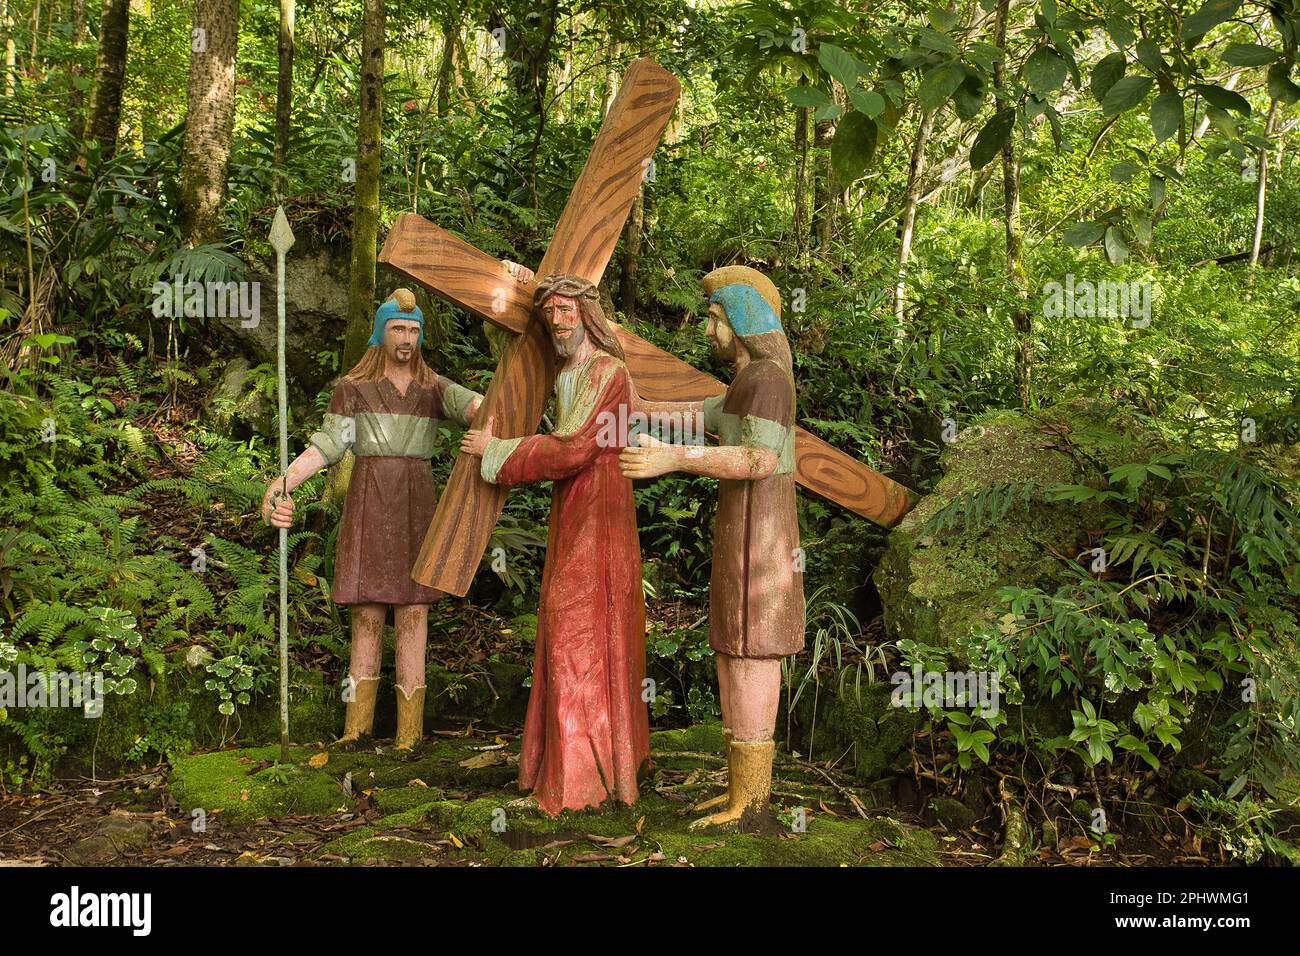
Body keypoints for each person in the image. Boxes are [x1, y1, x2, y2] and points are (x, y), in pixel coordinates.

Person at [461, 267, 650, 815]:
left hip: (601, 511)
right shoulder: (571, 372)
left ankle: (582, 782)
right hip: (576, 510)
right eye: (551, 314)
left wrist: (498, 452)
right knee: (569, 621)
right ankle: (576, 770)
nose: (559, 321)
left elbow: (571, 449)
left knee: (576, 622)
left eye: (568, 310)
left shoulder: (608, 372)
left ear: (587, 314)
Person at [619, 265, 804, 827]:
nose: (708, 332)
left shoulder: (770, 379)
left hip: (763, 535)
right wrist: (630, 405)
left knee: (752, 650)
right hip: (739, 530)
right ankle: (739, 793)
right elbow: (698, 417)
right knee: (732, 649)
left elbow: (760, 460)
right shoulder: (748, 381)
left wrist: (674, 458)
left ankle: (753, 799)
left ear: (744, 322)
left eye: (716, 319)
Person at [262, 288, 482, 751]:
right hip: (369, 499)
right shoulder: (354, 389)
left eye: (414, 330)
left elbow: (484, 408)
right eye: (398, 328)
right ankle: (355, 729)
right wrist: (285, 482)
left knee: (413, 611)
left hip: (418, 502)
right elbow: (328, 444)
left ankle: (409, 736)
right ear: (381, 332)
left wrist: (504, 392)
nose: (406, 338)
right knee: (366, 612)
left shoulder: (432, 387)